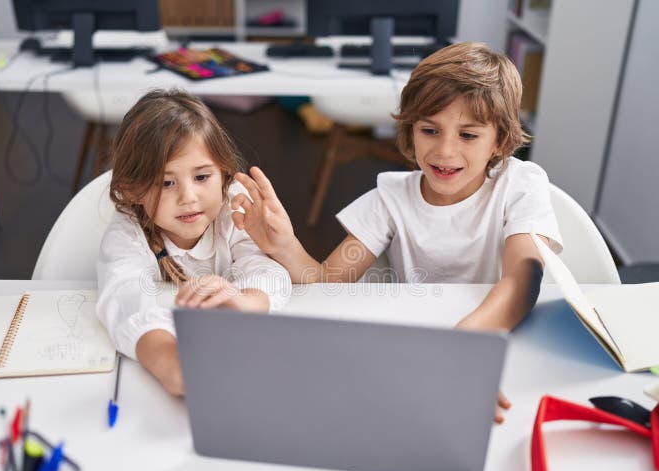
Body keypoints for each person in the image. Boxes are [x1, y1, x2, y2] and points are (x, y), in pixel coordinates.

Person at [230, 42, 563, 423]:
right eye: (429, 130)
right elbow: (327, 283)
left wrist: (466, 342)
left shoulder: (520, 184)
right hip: (414, 354)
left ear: (500, 141)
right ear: (410, 129)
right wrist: (284, 244)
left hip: (497, 340)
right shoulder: (390, 198)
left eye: (468, 135)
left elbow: (525, 276)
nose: (444, 150)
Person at [97, 90, 291, 396]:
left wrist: (242, 301)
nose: (188, 197)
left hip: (241, 353)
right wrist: (172, 366)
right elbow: (125, 297)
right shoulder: (128, 232)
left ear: (225, 174)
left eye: (202, 177)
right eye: (166, 182)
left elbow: (268, 272)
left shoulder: (234, 211)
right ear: (133, 190)